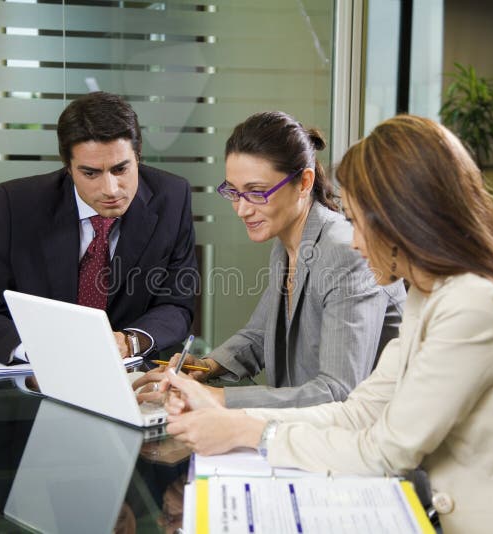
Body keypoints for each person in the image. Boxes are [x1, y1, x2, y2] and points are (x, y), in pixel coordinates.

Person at [161, 116, 493, 532]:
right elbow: (360, 412)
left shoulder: (475, 306)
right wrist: (232, 419)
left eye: (359, 222)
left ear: (406, 222)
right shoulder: (430, 297)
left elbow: (386, 450)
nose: (356, 242)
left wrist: (247, 431)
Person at [136, 111, 404, 408]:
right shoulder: (287, 244)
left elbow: (338, 391)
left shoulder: (345, 252)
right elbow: (260, 334)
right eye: (234, 193)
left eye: (256, 193)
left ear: (304, 182)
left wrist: (215, 397)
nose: (242, 210)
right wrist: (202, 367)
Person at [0, 92, 198, 364]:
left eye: (120, 169)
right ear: (68, 168)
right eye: (90, 173)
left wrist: (130, 341)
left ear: (138, 156)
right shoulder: (13, 205)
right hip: (31, 380)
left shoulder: (171, 198)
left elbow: (176, 304)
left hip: (129, 378)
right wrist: (43, 353)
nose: (110, 189)